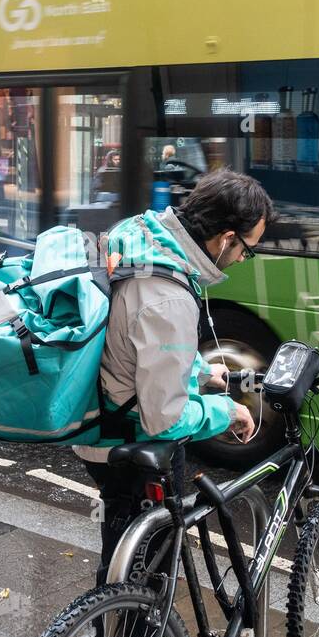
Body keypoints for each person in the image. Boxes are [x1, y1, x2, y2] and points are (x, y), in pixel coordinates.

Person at [74, 168, 273, 588]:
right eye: (247, 250)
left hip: (100, 415)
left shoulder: (141, 232)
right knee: (144, 579)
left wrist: (200, 370)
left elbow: (132, 336)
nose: (241, 260)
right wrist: (227, 411)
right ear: (226, 239)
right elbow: (164, 419)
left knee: (120, 562)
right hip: (128, 447)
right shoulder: (170, 298)